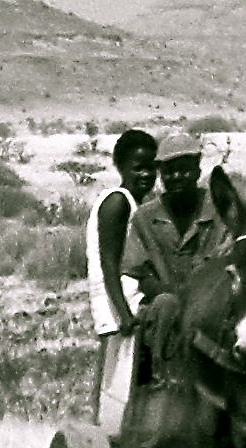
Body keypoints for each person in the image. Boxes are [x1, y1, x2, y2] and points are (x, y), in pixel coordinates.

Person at [123, 133, 232, 384]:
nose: (176, 178)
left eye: (184, 170)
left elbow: (228, 258)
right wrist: (174, 297)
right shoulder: (144, 218)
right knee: (165, 305)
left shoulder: (218, 210)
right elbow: (140, 271)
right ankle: (162, 377)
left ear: (197, 169)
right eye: (169, 172)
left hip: (213, 300)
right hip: (166, 304)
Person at [87, 129, 158, 425]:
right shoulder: (118, 202)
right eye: (138, 167)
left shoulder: (137, 204)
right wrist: (124, 314)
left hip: (129, 302)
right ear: (121, 167)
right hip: (120, 306)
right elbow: (108, 262)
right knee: (116, 383)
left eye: (151, 167)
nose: (146, 174)